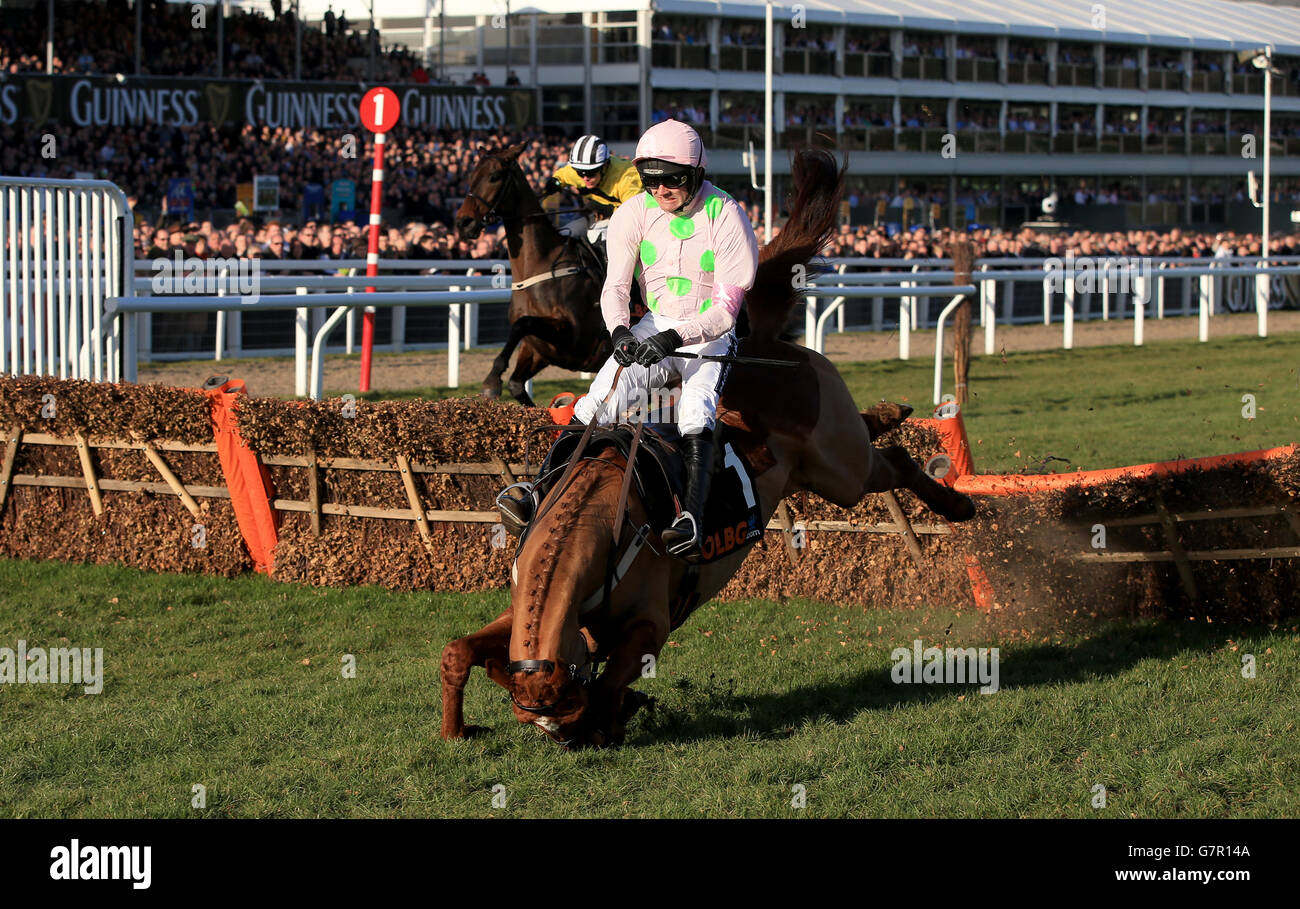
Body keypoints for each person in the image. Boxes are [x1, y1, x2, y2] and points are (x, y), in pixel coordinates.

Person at [500, 120, 758, 559]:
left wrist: (676, 336)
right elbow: (615, 288)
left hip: (709, 334)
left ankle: (691, 519)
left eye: (673, 179)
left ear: (696, 172)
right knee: (596, 401)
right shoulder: (633, 213)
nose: (662, 190)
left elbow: (725, 312)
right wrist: (620, 331)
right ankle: (537, 490)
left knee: (695, 409)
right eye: (652, 180)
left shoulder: (727, 214)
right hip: (655, 322)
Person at [543, 135, 642, 249]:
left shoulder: (627, 178)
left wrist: (609, 210)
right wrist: (555, 182)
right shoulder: (576, 172)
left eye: (591, 173)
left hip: (627, 219)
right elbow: (562, 176)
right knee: (564, 235)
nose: (586, 178)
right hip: (598, 214)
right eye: (581, 173)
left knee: (597, 235)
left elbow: (633, 214)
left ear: (605, 166)